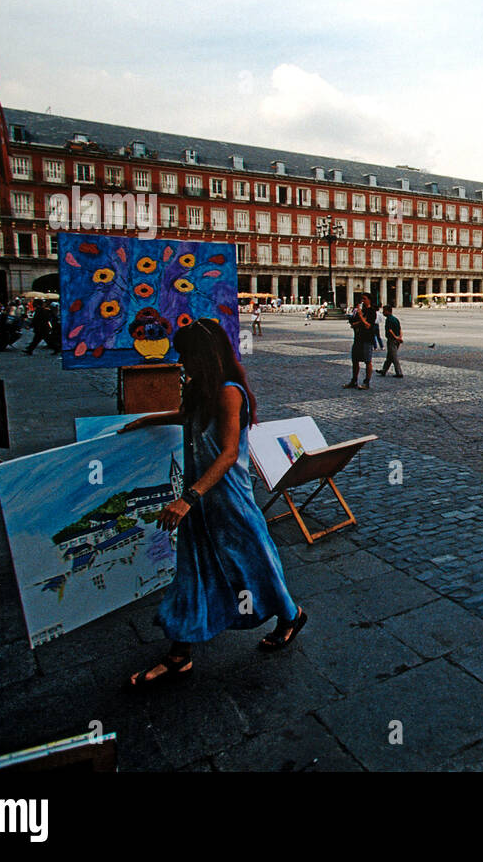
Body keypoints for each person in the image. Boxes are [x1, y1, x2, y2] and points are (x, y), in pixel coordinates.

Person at [119, 319, 306, 689]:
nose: (182, 361)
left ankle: (290, 615)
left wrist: (187, 498)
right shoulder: (201, 387)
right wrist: (146, 421)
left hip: (228, 500)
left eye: (186, 355)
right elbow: (189, 419)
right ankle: (178, 655)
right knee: (193, 571)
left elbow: (229, 452)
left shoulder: (229, 392)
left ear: (203, 356)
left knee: (254, 565)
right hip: (202, 499)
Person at [344, 294, 376, 389]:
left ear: (369, 300)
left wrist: (361, 316)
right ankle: (354, 380)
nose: (362, 301)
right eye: (361, 299)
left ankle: (367, 382)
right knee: (355, 361)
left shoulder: (371, 311)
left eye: (364, 299)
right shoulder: (361, 311)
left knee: (367, 361)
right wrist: (357, 318)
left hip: (367, 339)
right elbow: (354, 323)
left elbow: (367, 325)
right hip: (358, 338)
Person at [377, 304, 403, 378]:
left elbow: (390, 330)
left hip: (392, 340)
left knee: (394, 357)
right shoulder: (395, 319)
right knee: (389, 357)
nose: (383, 312)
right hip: (397, 339)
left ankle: (399, 372)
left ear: (388, 311)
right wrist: (400, 337)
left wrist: (395, 337)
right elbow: (400, 329)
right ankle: (384, 370)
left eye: (384, 311)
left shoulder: (389, 319)